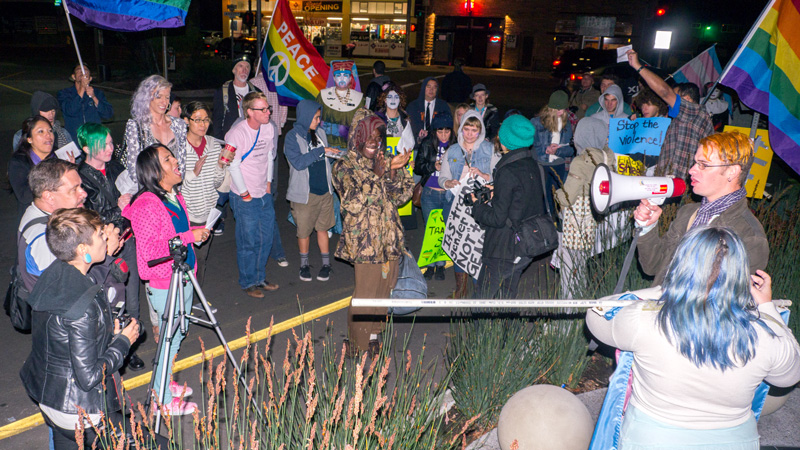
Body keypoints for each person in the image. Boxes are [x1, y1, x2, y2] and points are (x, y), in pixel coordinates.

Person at [587, 226, 800, 448]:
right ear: (741, 273)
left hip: (652, 440)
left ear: (681, 266)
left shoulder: (644, 321)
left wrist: (664, 290)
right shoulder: (766, 334)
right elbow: (789, 377)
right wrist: (767, 307)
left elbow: (597, 314)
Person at [19, 208, 164, 450]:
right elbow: (89, 377)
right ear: (83, 249)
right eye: (100, 235)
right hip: (81, 413)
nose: (106, 238)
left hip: (49, 398)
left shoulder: (55, 273)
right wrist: (122, 342)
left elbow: (65, 337)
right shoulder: (84, 304)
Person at [122, 144, 209, 415]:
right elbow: (148, 256)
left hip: (183, 276)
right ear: (154, 171)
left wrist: (191, 232)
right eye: (168, 159)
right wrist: (187, 237)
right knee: (169, 339)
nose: (176, 161)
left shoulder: (171, 194)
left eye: (172, 156)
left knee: (177, 334)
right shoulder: (148, 204)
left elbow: (172, 232)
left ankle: (165, 383)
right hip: (165, 283)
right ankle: (161, 401)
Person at [634, 131, 768, 286]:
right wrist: (647, 228)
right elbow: (653, 267)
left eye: (703, 165)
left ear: (732, 172)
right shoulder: (688, 212)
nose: (691, 170)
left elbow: (733, 302)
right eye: (695, 163)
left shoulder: (749, 235)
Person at [333, 114, 412, 354]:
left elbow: (402, 195)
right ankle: (357, 344)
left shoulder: (383, 159)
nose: (373, 141)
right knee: (366, 295)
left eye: (378, 137)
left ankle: (374, 335)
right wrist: (378, 174)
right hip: (365, 243)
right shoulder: (344, 165)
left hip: (389, 239)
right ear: (357, 135)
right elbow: (352, 203)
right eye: (368, 136)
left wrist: (391, 173)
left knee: (384, 293)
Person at [76, 123, 145, 371]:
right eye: (103, 144)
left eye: (110, 142)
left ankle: (130, 347)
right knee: (111, 301)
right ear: (86, 148)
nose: (110, 148)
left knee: (133, 296)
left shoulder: (115, 167)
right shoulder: (80, 178)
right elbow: (92, 218)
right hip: (103, 250)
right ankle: (112, 349)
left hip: (128, 239)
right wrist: (120, 205)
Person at [471, 115, 544, 299]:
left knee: (483, 298)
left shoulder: (507, 170)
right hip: (524, 245)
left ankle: (477, 329)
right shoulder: (532, 164)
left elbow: (497, 218)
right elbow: (524, 199)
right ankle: (506, 328)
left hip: (503, 248)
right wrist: (500, 192)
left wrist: (477, 205)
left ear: (505, 140)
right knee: (508, 296)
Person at [224, 92, 281, 298]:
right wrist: (245, 193)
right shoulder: (236, 133)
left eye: (268, 109)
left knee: (265, 238)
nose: (268, 112)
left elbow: (269, 156)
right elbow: (232, 164)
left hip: (262, 192)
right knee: (248, 241)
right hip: (243, 195)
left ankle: (260, 278)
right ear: (249, 112)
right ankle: (248, 282)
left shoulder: (268, 128)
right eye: (263, 109)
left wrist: (267, 183)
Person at [553, 116, 616, 299]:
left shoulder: (581, 161)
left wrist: (556, 194)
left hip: (576, 224)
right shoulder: (608, 158)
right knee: (580, 268)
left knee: (569, 272)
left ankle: (567, 320)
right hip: (595, 221)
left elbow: (567, 197)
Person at [627, 48, 714, 179]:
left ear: (687, 100)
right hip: (670, 179)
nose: (668, 103)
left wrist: (637, 66)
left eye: (676, 98)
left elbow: (665, 92)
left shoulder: (694, 112)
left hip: (678, 179)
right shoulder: (685, 120)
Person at [439, 110, 499, 299]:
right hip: (456, 205)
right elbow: (443, 178)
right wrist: (448, 183)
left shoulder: (489, 149)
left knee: (477, 247)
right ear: (462, 129)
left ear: (480, 130)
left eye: (475, 130)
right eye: (467, 129)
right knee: (458, 246)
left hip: (481, 206)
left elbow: (499, 177)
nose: (470, 134)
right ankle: (461, 290)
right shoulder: (453, 150)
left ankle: (478, 290)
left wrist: (483, 175)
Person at [17, 159, 92, 296]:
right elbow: (64, 292)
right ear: (49, 197)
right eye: (74, 189)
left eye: (81, 186)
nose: (83, 193)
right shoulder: (45, 238)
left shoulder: (35, 211)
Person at [285, 100, 341, 282]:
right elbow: (299, 163)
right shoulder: (292, 137)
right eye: (316, 118)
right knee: (304, 231)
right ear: (305, 116)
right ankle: (304, 265)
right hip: (304, 194)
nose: (319, 121)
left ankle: (326, 264)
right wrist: (322, 151)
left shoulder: (321, 133)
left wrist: (334, 154)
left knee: (323, 228)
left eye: (319, 117)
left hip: (325, 191)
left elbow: (325, 159)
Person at [181, 101, 226, 286]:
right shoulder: (178, 147)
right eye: (197, 120)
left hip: (208, 215)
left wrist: (221, 165)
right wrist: (193, 173)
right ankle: (182, 303)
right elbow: (172, 183)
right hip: (186, 215)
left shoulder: (214, 145)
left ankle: (196, 302)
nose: (203, 124)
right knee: (183, 262)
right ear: (186, 121)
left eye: (206, 120)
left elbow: (216, 182)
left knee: (201, 260)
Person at [124, 75, 188, 189]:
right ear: (147, 97)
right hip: (149, 190)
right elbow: (134, 169)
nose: (164, 102)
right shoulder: (136, 126)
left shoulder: (179, 125)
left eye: (167, 97)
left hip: (173, 190)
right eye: (159, 96)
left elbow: (181, 165)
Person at [414, 113, 455, 281]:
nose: (444, 135)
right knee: (432, 229)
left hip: (448, 193)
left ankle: (441, 265)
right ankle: (430, 265)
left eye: (447, 131)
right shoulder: (427, 144)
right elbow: (418, 167)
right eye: (440, 132)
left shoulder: (456, 146)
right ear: (434, 132)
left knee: (444, 230)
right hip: (430, 192)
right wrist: (433, 165)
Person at [531, 91, 575, 216]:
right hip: (541, 164)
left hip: (558, 165)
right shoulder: (537, 122)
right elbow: (531, 144)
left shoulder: (567, 124)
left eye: (562, 109)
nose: (560, 112)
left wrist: (558, 151)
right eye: (557, 109)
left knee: (556, 198)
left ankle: (556, 222)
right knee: (541, 197)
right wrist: (544, 150)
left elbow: (571, 149)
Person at [10, 116, 57, 219]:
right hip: (35, 220)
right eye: (41, 132)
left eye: (50, 131)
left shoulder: (58, 158)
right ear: (29, 139)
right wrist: (51, 173)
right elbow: (24, 196)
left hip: (59, 217)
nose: (48, 135)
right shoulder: (19, 162)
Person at [315, 60, 365, 151]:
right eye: (338, 75)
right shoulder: (323, 95)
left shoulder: (359, 98)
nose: (342, 78)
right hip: (325, 144)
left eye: (345, 75)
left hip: (349, 146)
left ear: (350, 78)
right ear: (333, 78)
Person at [57, 64, 114, 139]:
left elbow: (108, 114)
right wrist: (82, 89)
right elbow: (70, 110)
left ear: (90, 78)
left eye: (86, 71)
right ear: (73, 77)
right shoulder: (64, 93)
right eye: (79, 70)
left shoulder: (97, 93)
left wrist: (94, 97)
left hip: (94, 139)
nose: (82, 72)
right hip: (74, 139)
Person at [212, 55, 261, 139]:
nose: (244, 70)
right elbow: (217, 121)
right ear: (234, 70)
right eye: (240, 66)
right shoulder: (222, 92)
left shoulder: (256, 92)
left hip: (252, 138)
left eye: (247, 67)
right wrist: (220, 143)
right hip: (230, 140)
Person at [407, 77, 451, 143]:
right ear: (423, 88)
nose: (431, 90)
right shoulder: (413, 106)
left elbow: (448, 126)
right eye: (428, 86)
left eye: (434, 87)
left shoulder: (443, 106)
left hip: (437, 144)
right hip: (417, 144)